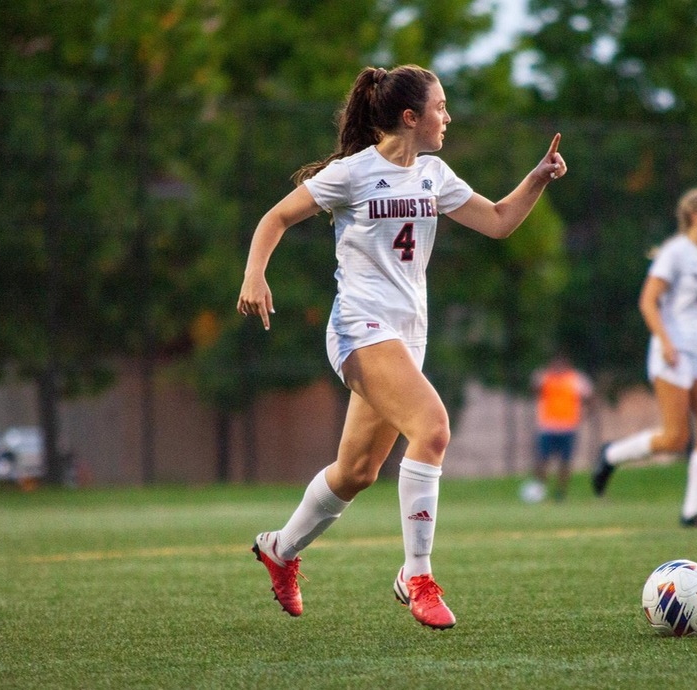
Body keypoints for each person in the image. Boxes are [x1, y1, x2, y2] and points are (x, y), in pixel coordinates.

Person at [236, 64, 566, 629]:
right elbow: (276, 217)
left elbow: (499, 221)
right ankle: (417, 574)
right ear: (410, 117)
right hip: (359, 330)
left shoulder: (435, 174)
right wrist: (253, 275)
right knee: (433, 427)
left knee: (356, 472)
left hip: (407, 338)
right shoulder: (353, 174)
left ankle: (280, 549)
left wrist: (536, 177)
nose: (448, 117)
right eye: (440, 107)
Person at [589, 187, 697, 527]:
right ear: (694, 214)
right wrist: (665, 342)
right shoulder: (676, 252)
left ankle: (692, 512)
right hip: (675, 350)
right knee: (675, 438)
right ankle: (611, 455)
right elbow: (648, 301)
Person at [524, 352, 593, 503]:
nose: (558, 367)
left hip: (568, 427)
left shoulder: (576, 379)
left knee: (565, 462)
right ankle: (538, 490)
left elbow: (589, 397)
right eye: (555, 363)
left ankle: (560, 494)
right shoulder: (544, 377)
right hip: (548, 426)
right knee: (542, 460)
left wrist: (584, 414)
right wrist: (537, 382)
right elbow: (532, 391)